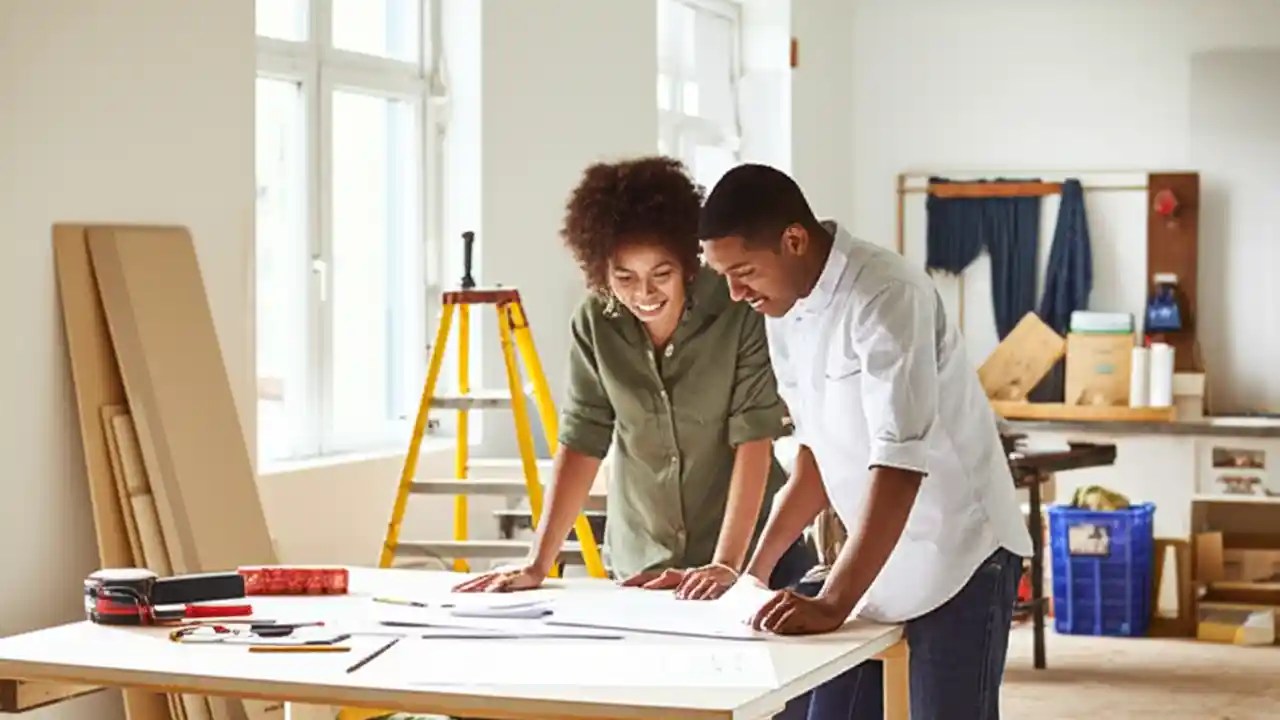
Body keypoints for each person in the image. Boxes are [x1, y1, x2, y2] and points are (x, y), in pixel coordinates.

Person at [698, 163, 1033, 719]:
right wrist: (751, 574)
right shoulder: (781, 309)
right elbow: (814, 456)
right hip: (876, 557)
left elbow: (900, 462)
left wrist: (834, 601)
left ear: (794, 240)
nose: (735, 293)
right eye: (724, 277)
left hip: (961, 553)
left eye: (744, 271)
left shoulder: (887, 293)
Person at [454, 156, 815, 599]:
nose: (643, 294)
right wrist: (537, 564)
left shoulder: (738, 309)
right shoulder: (595, 323)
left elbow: (753, 438)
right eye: (624, 277)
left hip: (757, 559)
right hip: (642, 563)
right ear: (599, 269)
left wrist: (725, 565)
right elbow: (582, 440)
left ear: (687, 262)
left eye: (661, 275)